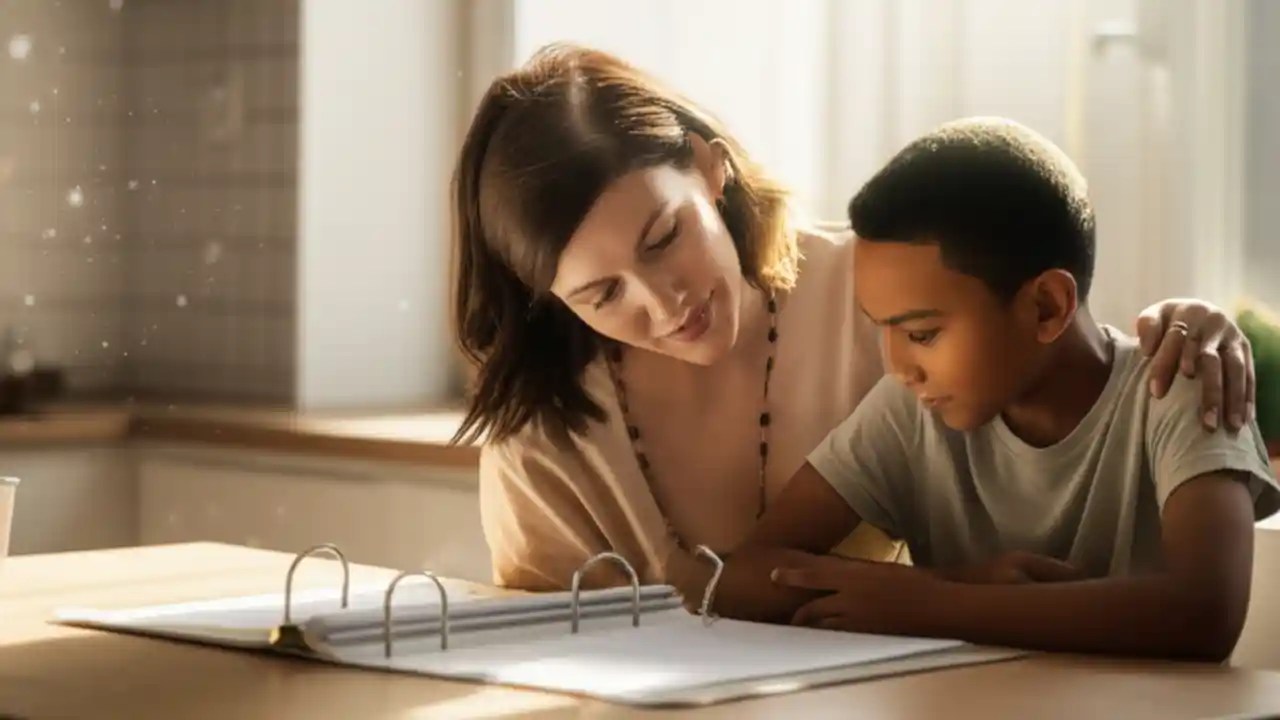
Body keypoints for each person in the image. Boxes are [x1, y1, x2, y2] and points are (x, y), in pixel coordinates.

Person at [451, 44, 1260, 592]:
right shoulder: (541, 419)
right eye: (602, 295)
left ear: (709, 168)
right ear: (550, 300)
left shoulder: (874, 298)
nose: (662, 305)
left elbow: (1051, 341)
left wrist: (1189, 321)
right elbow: (547, 654)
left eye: (664, 239)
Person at [703, 118, 1279, 661]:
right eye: (883, 329)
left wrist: (933, 606)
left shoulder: (1182, 382)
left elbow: (1204, 613)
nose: (899, 364)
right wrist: (947, 583)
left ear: (1047, 306)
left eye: (921, 332)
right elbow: (740, 580)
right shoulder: (910, 413)